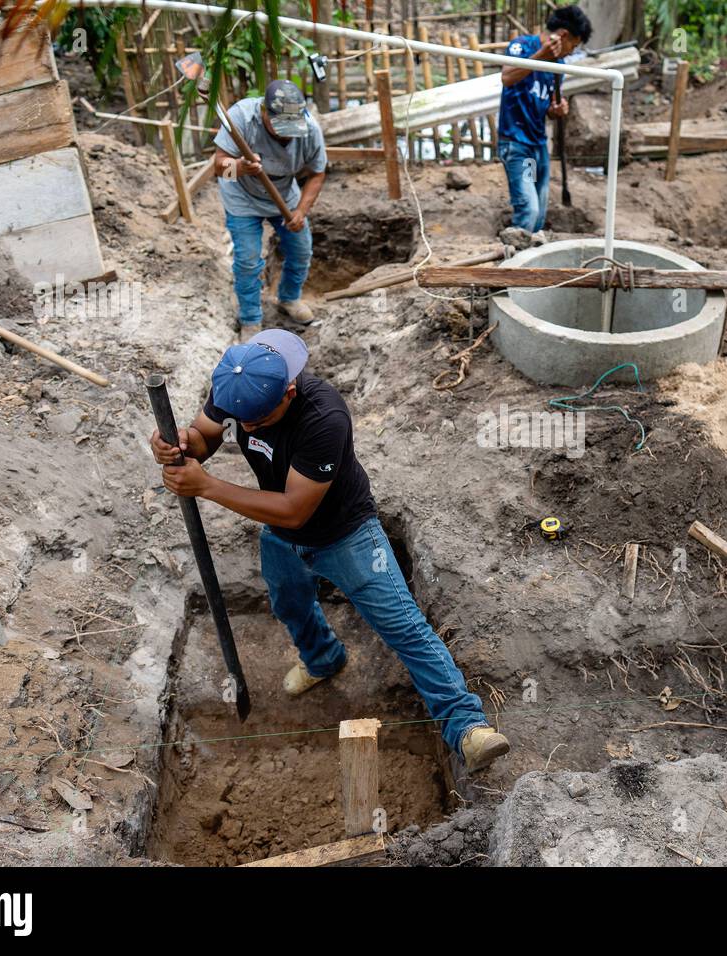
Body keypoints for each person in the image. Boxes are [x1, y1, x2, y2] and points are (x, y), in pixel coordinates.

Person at [149, 329, 510, 772]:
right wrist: (180, 445)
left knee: (405, 628)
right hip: (281, 535)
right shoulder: (239, 384)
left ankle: (467, 727)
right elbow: (205, 437)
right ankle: (323, 658)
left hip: (346, 534)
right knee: (289, 605)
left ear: (289, 391)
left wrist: (206, 486)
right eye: (239, 419)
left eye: (256, 423)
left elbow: (295, 509)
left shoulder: (324, 416)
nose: (244, 428)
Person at [214, 80, 326, 341]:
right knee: (248, 260)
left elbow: (317, 174)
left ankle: (288, 298)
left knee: (301, 250)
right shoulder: (241, 118)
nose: (287, 135)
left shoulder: (309, 129)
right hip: (241, 195)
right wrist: (240, 167)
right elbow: (219, 169)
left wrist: (301, 210)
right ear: (264, 113)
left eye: (291, 130)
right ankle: (251, 319)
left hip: (284, 194)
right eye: (280, 128)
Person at [497, 4, 593, 236]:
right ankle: (512, 262)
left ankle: (528, 261)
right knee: (528, 210)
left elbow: (549, 105)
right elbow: (507, 77)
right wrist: (542, 56)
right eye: (574, 45)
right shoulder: (522, 46)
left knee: (539, 214)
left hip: (539, 145)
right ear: (563, 35)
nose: (571, 51)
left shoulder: (558, 66)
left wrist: (556, 110)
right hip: (518, 143)